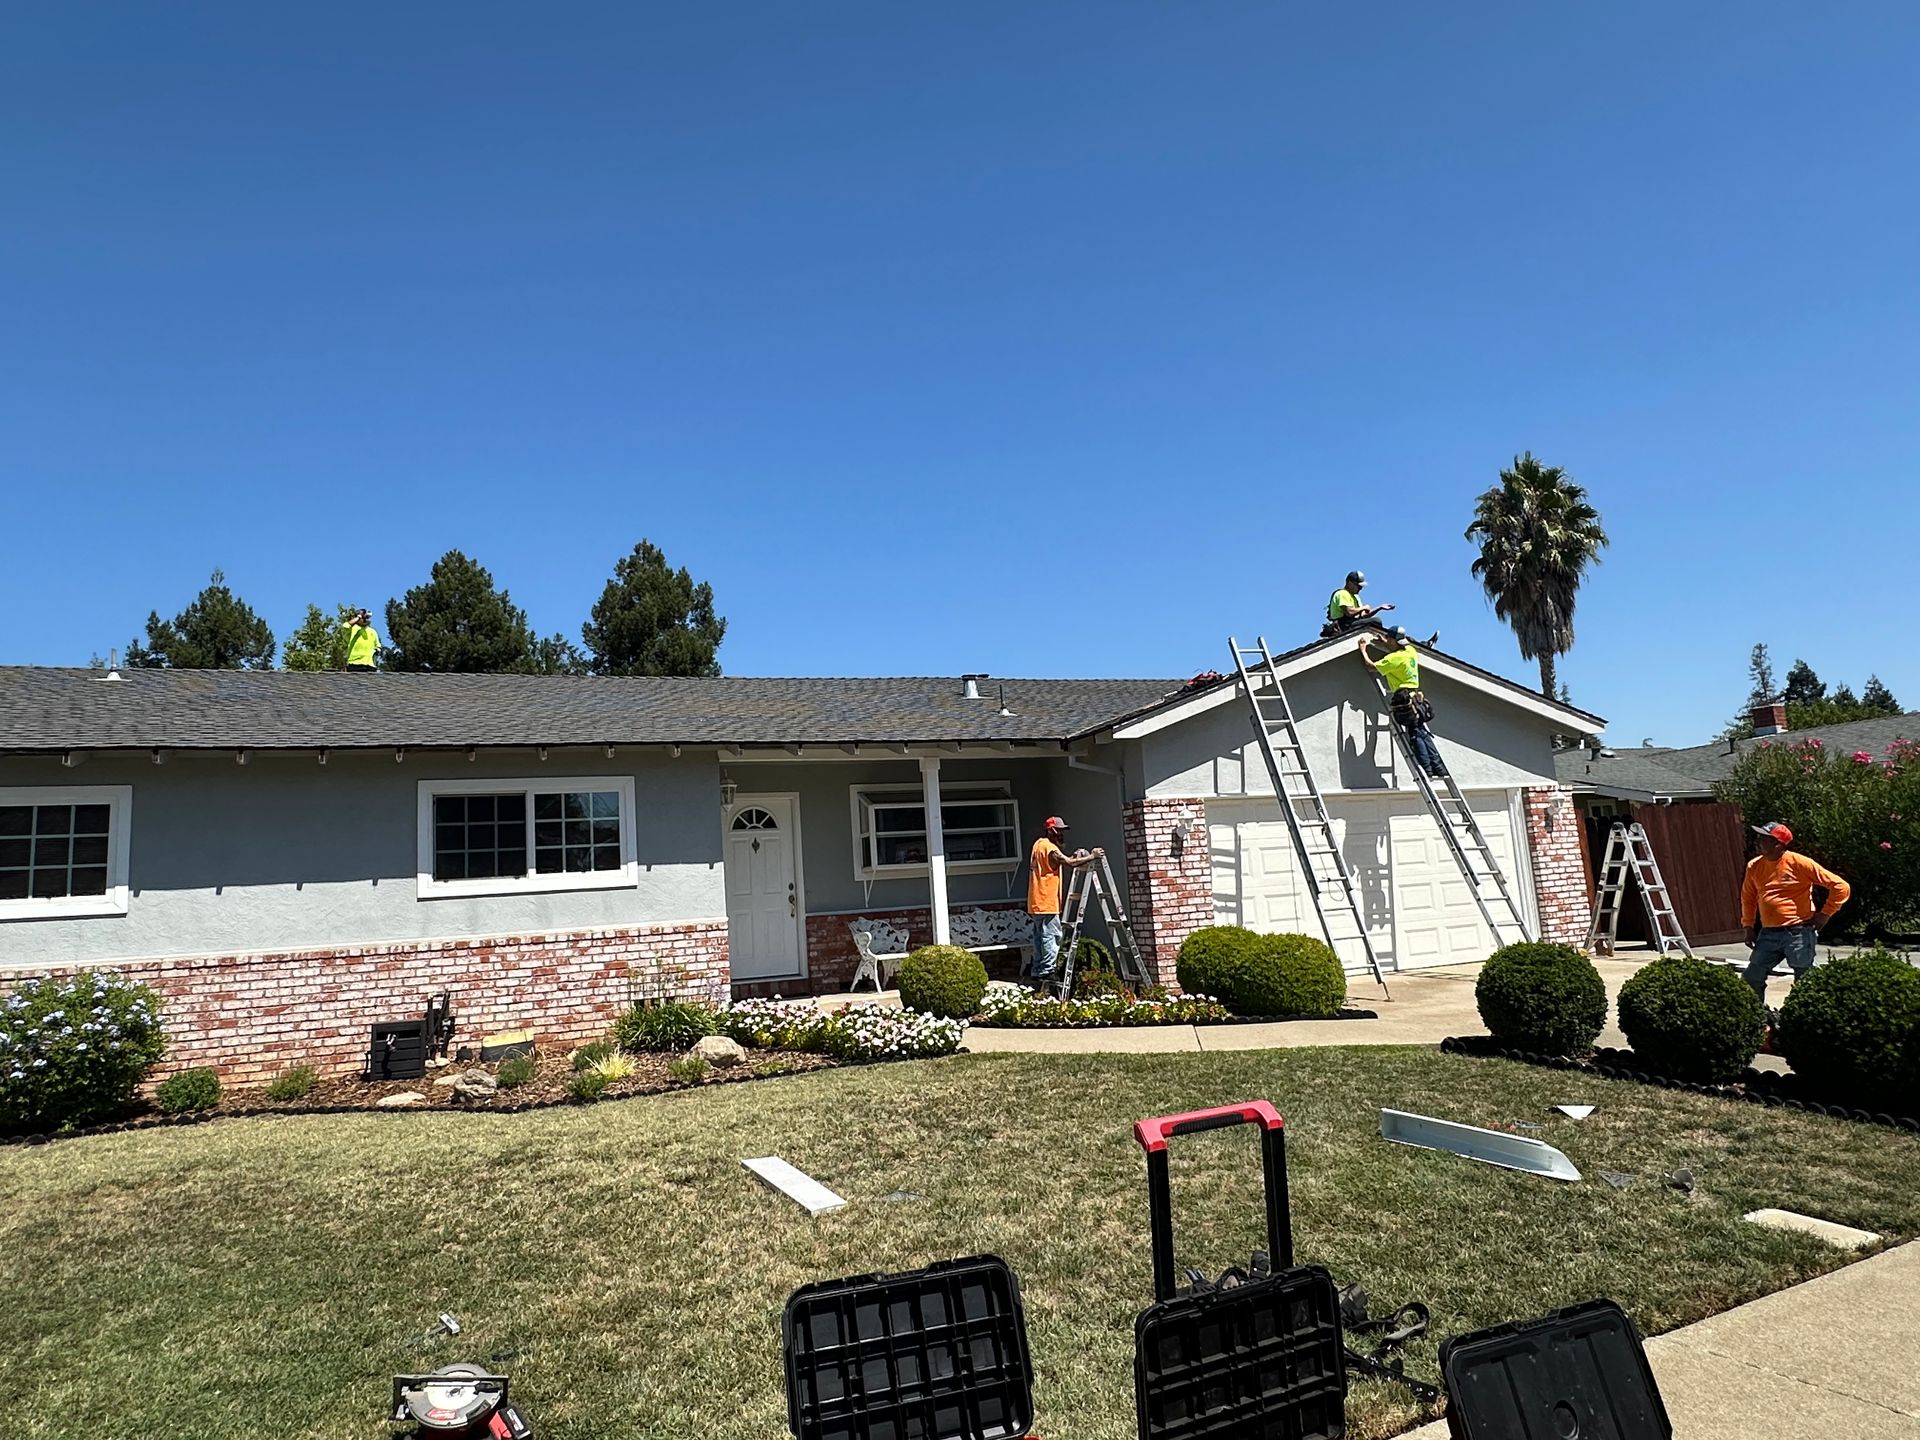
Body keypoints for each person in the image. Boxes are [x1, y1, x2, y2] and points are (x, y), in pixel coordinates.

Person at [1741, 821, 1851, 1002]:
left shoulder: (1798, 862)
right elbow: (1748, 897)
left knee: (1805, 978)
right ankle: (1759, 1018)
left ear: (1778, 843)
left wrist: (1825, 914)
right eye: (1759, 837)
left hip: (1798, 932)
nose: (1758, 841)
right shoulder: (1754, 866)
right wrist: (1748, 925)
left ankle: (1802, 1017)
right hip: (1768, 933)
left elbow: (1841, 886)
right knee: (1753, 976)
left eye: (1764, 838)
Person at [1359, 629, 1448, 779]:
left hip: (1404, 700)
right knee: (1422, 733)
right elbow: (1397, 645)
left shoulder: (1394, 658)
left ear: (1394, 641)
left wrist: (1363, 649)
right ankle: (1439, 768)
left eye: (1389, 639)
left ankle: (1427, 769)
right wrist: (1385, 641)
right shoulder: (1410, 651)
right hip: (1417, 699)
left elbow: (1370, 666)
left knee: (1415, 734)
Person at [1027, 816, 1103, 991]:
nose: (1061, 834)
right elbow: (1068, 863)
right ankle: (1047, 970)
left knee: (1039, 937)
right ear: (1051, 831)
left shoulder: (1038, 844)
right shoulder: (1050, 848)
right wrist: (1092, 856)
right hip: (1046, 900)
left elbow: (1061, 860)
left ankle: (1037, 969)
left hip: (1036, 901)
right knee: (1051, 936)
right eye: (1059, 831)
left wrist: (1073, 856)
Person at [1322, 570, 1395, 638]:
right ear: (1350, 583)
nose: (1360, 588)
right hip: (1343, 625)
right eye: (1359, 586)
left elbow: (1363, 616)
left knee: (1376, 621)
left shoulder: (1356, 597)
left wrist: (1380, 608)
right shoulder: (1342, 594)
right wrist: (1363, 607)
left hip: (1353, 623)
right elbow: (1349, 612)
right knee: (1376, 621)